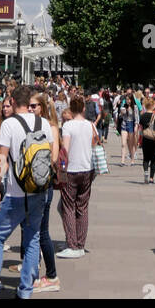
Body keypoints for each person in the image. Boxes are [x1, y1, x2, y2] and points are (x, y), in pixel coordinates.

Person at [0, 83, 59, 299]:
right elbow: (50, 157)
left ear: (13, 102)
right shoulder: (43, 122)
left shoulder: (9, 124)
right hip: (39, 191)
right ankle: (25, 291)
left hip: (15, 193)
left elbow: (1, 159)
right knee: (32, 238)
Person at [25, 91, 60, 291]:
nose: (30, 109)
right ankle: (32, 271)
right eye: (29, 106)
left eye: (34, 106)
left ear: (42, 108)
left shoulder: (50, 127)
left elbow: (53, 158)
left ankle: (52, 275)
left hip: (44, 184)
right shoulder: (29, 125)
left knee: (42, 231)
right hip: (29, 184)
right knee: (32, 230)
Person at [58, 93, 98, 258]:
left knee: (68, 207)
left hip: (71, 169)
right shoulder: (90, 125)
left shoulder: (68, 126)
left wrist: (60, 170)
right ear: (83, 108)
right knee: (82, 207)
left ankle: (72, 244)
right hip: (87, 169)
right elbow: (95, 143)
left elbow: (65, 150)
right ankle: (80, 244)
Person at [139, 96, 155, 184]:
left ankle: (146, 171)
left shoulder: (143, 116)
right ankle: (152, 178)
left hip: (145, 138)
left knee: (146, 158)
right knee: (153, 158)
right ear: (153, 106)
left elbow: (140, 128)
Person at [116, 87, 140, 166]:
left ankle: (132, 159)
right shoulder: (124, 107)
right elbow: (120, 116)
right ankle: (122, 161)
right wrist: (122, 113)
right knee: (123, 143)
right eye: (126, 99)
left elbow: (136, 118)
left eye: (129, 99)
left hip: (131, 124)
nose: (127, 101)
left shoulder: (135, 107)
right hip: (124, 124)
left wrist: (136, 126)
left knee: (131, 143)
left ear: (131, 100)